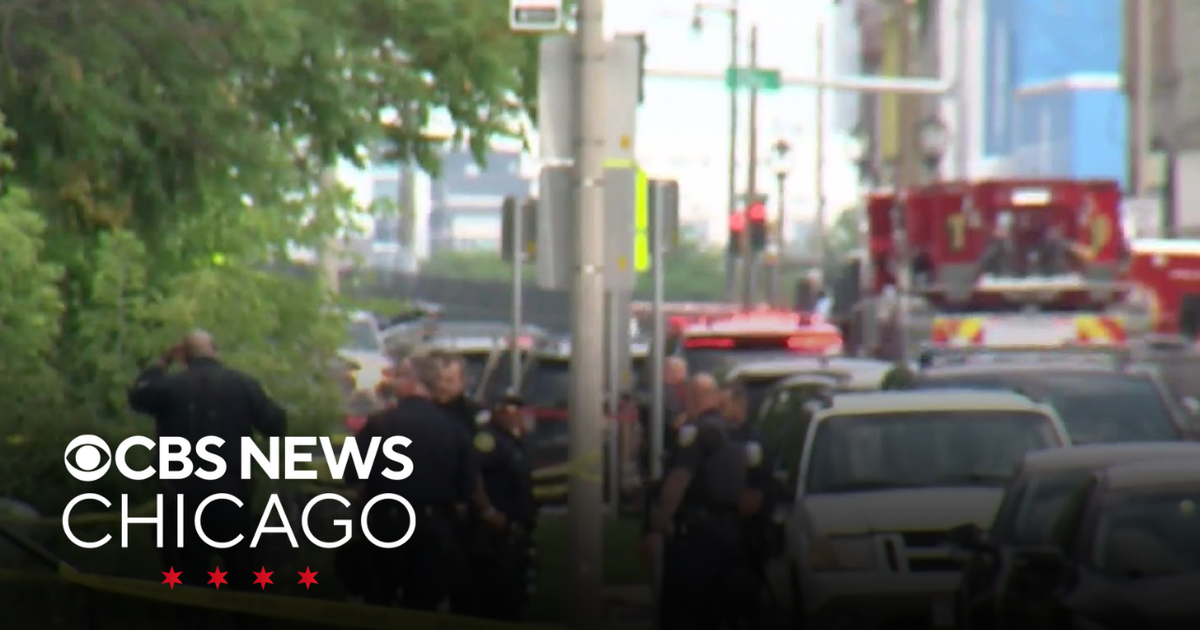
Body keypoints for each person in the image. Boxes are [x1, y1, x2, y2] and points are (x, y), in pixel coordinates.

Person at [127, 330, 286, 593]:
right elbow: (276, 425)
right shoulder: (243, 384)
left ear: (184, 356)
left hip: (181, 493)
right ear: (216, 350)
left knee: (186, 576)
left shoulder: (169, 387)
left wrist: (162, 362)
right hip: (232, 491)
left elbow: (137, 397)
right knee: (241, 571)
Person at [352, 353, 477, 610]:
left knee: (380, 599)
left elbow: (352, 473)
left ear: (413, 382)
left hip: (389, 522)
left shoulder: (381, 424)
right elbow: (466, 487)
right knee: (424, 605)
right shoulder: (454, 428)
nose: (395, 382)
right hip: (436, 525)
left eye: (400, 376)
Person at [642, 373, 754, 630]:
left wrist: (656, 528)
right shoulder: (736, 433)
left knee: (679, 611)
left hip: (699, 538)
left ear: (691, 398)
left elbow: (678, 482)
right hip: (731, 535)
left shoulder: (698, 434)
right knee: (713, 614)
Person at [470, 394, 538, 621]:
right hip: (494, 534)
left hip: (516, 531)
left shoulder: (516, 441)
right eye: (510, 411)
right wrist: (488, 511)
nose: (517, 416)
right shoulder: (487, 440)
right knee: (495, 598)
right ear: (498, 413)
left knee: (515, 596)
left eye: (519, 411)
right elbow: (473, 475)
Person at [721, 384, 775, 628]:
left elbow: (759, 492)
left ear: (739, 406)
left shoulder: (754, 441)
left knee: (744, 598)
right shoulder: (712, 436)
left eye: (723, 406)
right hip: (716, 535)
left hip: (745, 537)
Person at [430, 350, 486, 434]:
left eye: (449, 380)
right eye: (437, 379)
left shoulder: (474, 415)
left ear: (462, 382)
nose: (442, 386)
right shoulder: (419, 412)